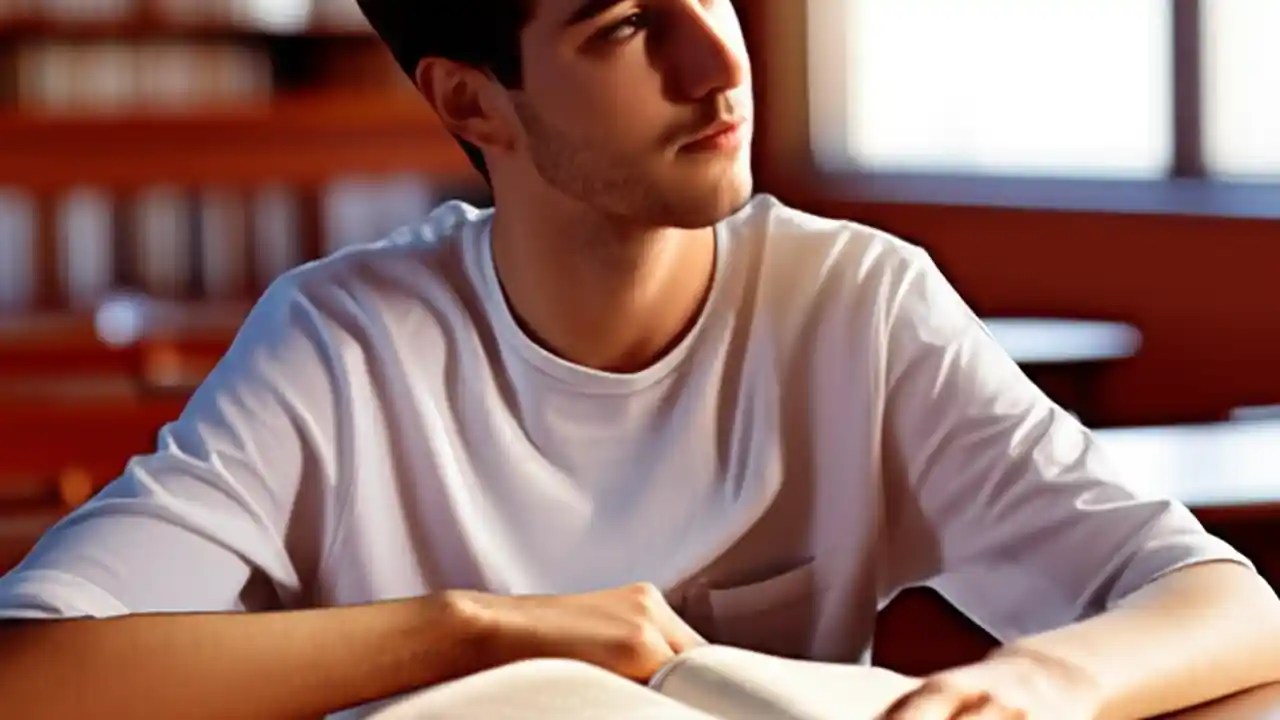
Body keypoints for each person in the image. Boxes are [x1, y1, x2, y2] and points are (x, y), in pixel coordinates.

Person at [1, 1, 1278, 717]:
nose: (717, 61)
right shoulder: (342, 341)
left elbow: (1229, 604)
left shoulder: (854, 301)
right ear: (469, 103)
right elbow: (34, 673)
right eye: (624, 26)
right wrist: (480, 632)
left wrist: (1032, 687)